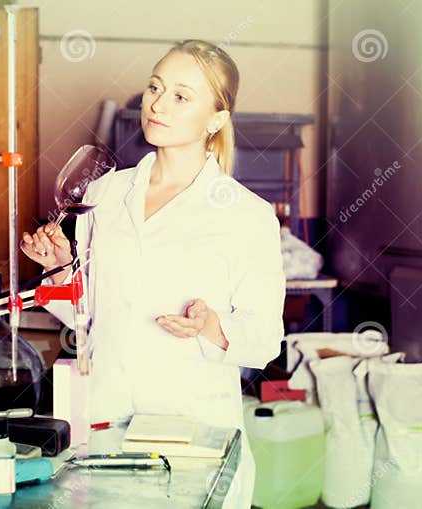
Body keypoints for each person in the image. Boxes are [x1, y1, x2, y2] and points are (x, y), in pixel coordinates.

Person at [22, 39, 286, 508]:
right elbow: (86, 320)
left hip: (191, 441)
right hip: (102, 430)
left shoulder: (246, 215)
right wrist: (60, 268)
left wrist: (211, 326)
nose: (158, 104)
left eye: (181, 96)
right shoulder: (105, 192)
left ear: (217, 118)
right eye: (154, 88)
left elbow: (265, 341)